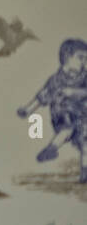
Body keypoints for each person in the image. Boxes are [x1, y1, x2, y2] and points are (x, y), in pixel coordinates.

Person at [17, 38, 87, 183]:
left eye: (86, 59)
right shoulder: (55, 80)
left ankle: (85, 175)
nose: (84, 62)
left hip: (83, 115)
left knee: (85, 144)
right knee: (67, 128)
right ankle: (51, 148)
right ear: (67, 57)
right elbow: (43, 96)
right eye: (81, 58)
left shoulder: (84, 77)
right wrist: (28, 110)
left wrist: (74, 92)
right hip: (62, 113)